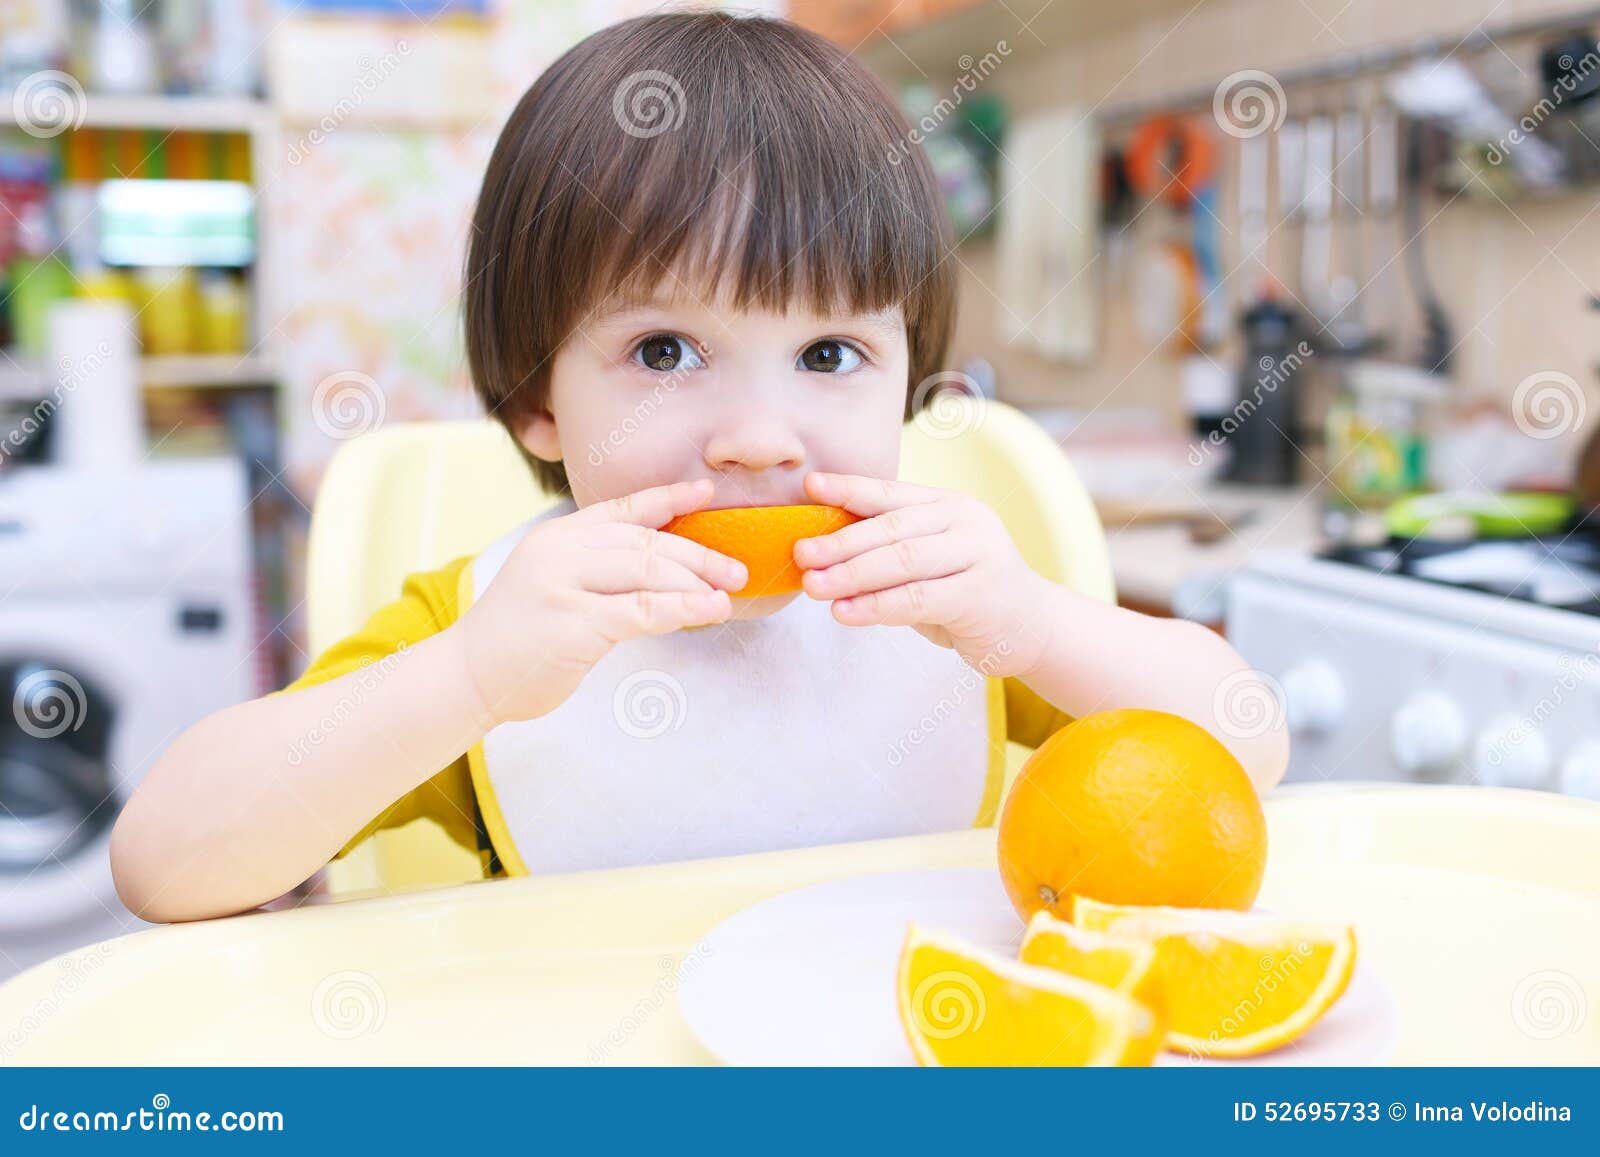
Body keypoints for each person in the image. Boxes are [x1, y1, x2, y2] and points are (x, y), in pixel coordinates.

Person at [111, 11, 1285, 923]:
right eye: (665, 350)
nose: (760, 434)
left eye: (830, 352)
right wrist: (468, 678)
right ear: (536, 401)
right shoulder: (487, 634)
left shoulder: (948, 611)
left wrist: (1030, 623)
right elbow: (164, 861)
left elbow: (1251, 744)